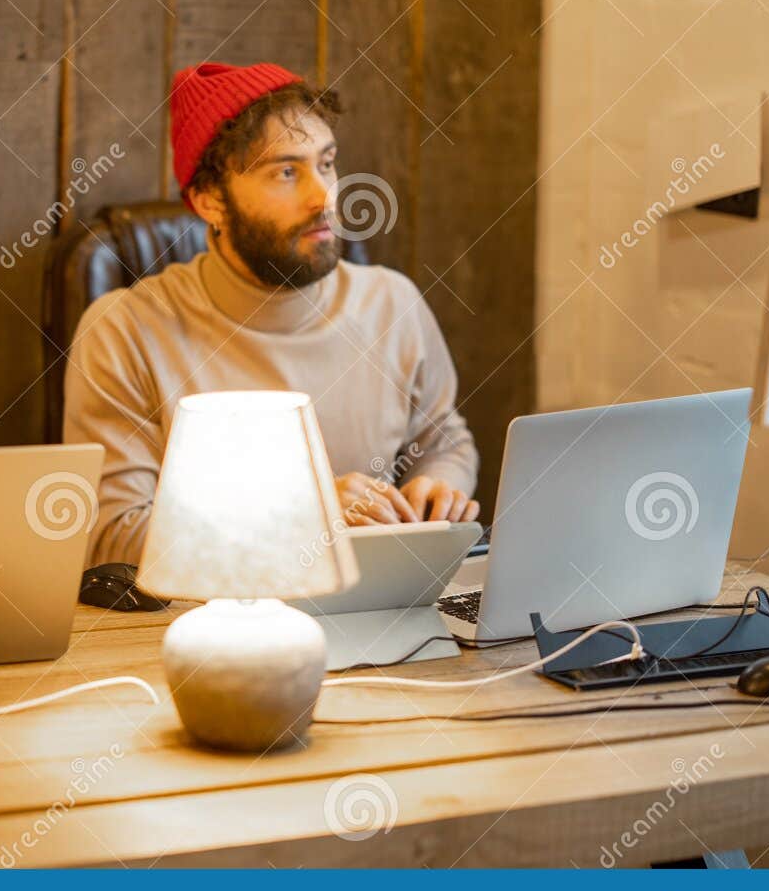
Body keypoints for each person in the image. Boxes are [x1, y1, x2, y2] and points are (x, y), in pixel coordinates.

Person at [63, 61, 479, 566]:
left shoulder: (393, 303)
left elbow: (443, 441)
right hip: (212, 627)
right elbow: (115, 536)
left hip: (381, 611)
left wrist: (437, 490)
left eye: (326, 164)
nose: (323, 197)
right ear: (210, 200)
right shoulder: (124, 330)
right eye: (286, 172)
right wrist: (304, 511)